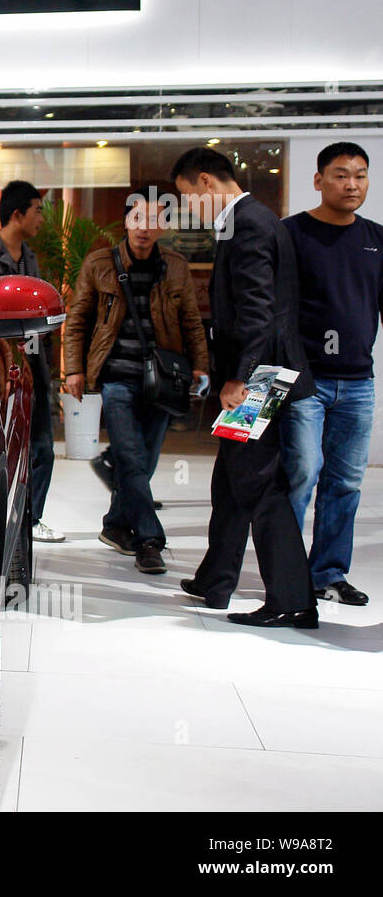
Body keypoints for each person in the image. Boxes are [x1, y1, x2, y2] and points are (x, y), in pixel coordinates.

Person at [171, 147, 316, 629]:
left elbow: (257, 309)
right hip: (260, 373)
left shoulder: (250, 223)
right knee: (232, 481)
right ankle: (216, 581)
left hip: (257, 379)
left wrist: (239, 377)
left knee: (258, 485)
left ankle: (293, 600)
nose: (190, 208)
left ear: (208, 183)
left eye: (189, 198)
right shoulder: (254, 219)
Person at [63, 188, 208, 574]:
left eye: (155, 220)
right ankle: (149, 540)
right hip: (117, 378)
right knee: (129, 456)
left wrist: (199, 366)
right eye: (138, 219)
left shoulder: (175, 266)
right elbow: (77, 320)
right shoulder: (99, 264)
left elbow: (192, 321)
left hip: (162, 379)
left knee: (144, 461)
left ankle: (114, 526)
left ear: (165, 225)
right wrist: (73, 370)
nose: (145, 228)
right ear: (126, 222)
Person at [280, 142, 380, 607]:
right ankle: (286, 571)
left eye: (360, 175)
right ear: (318, 180)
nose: (352, 184)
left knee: (346, 482)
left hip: (359, 381)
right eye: (341, 174)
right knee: (301, 472)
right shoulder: (290, 234)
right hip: (304, 380)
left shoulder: (377, 239)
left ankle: (328, 573)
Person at [0, 180, 63, 543]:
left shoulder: (30, 257)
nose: (42, 218)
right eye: (38, 210)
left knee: (43, 448)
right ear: (18, 214)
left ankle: (31, 519)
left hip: (33, 365)